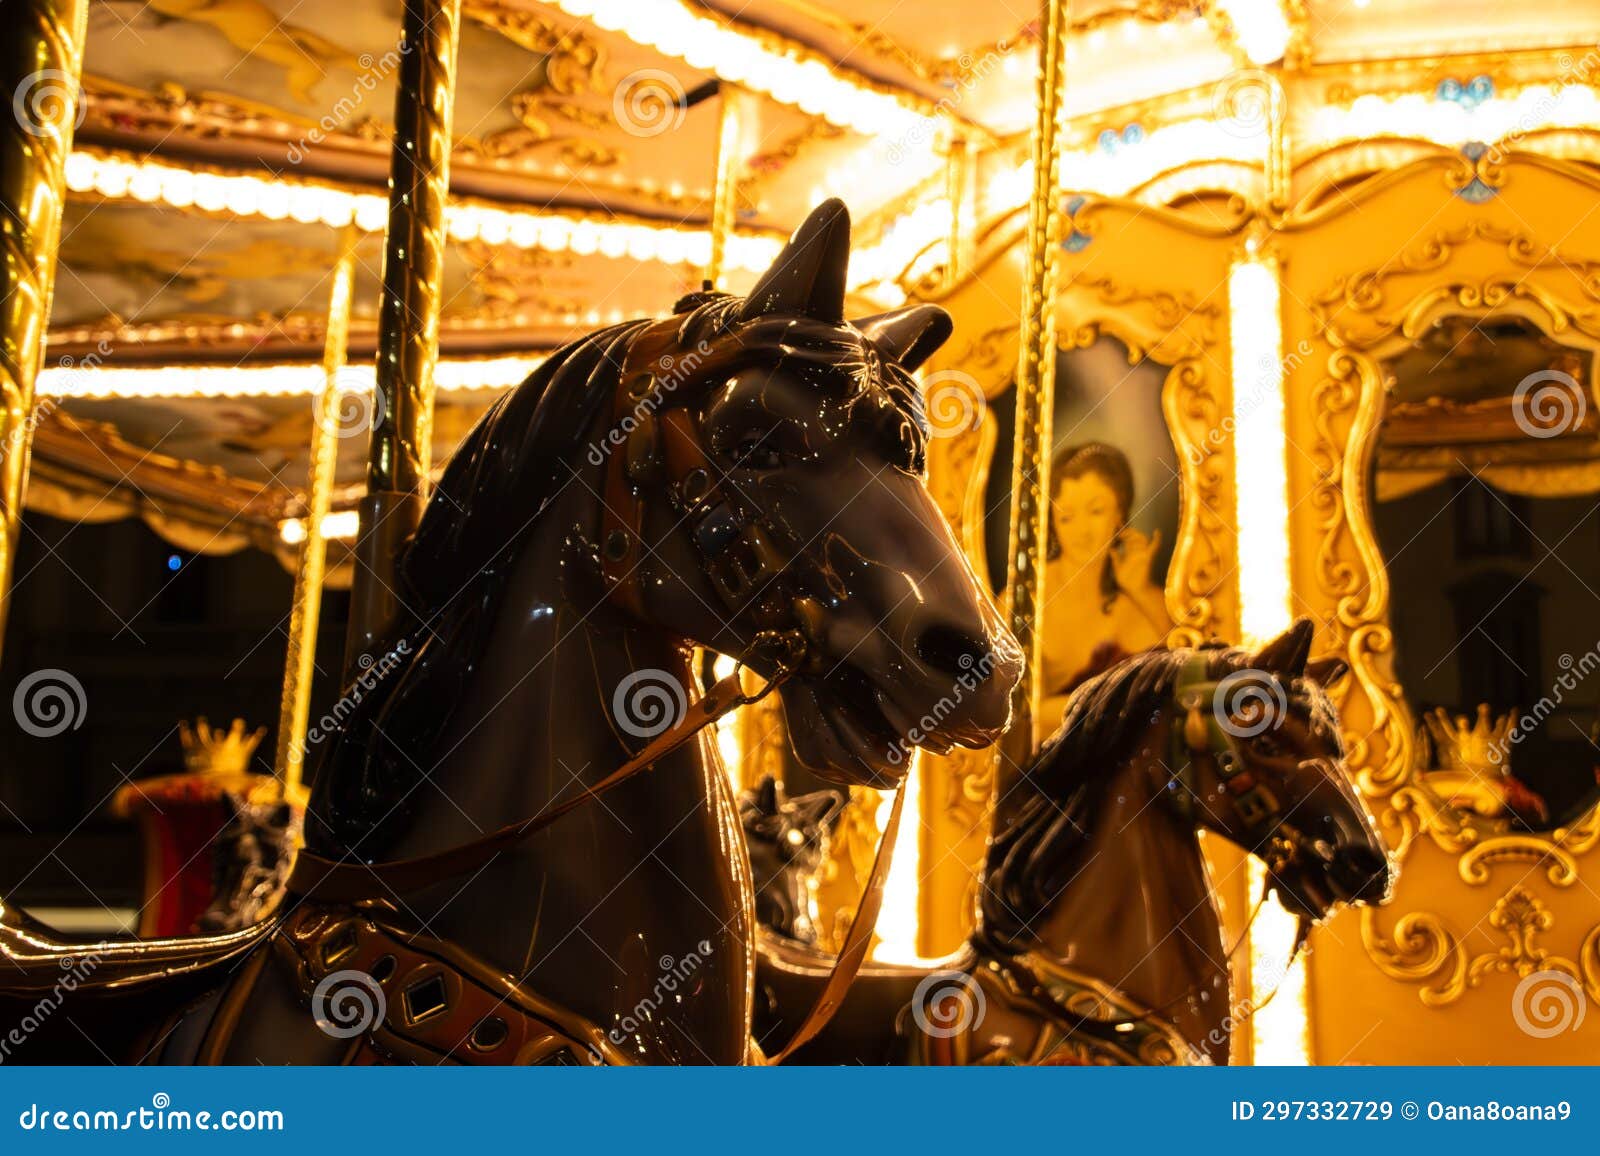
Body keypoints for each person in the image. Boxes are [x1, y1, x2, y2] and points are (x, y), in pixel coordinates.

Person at [1037, 443, 1170, 742]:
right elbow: (1022, 712)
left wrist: (1141, 590)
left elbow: (1184, 669)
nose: (1082, 531)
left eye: (1096, 511)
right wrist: (1110, 708)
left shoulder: (1138, 595)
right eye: (1066, 517)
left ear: (1120, 513)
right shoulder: (1030, 597)